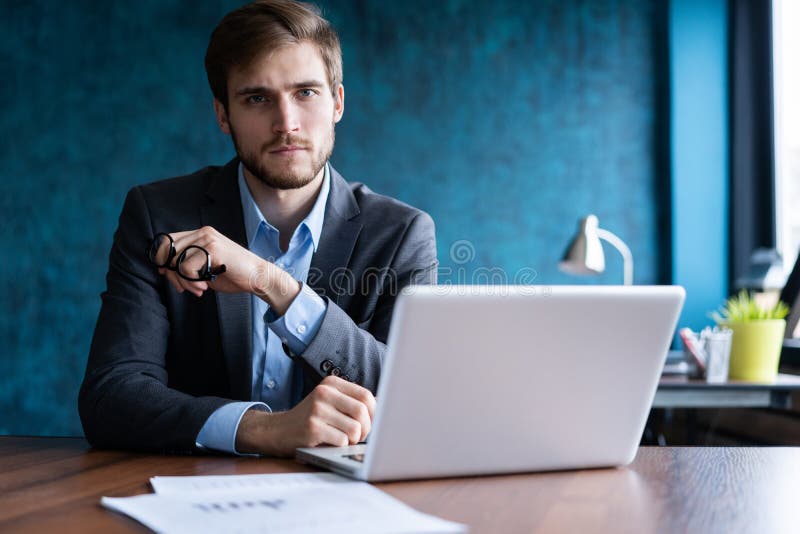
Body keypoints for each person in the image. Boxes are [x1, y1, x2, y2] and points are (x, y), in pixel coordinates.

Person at [78, 0, 437, 457]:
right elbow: (110, 397)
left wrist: (272, 284)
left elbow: (412, 395)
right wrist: (266, 430)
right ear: (223, 114)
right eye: (256, 98)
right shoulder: (158, 215)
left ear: (338, 103)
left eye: (306, 92)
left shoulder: (402, 234)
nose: (286, 123)